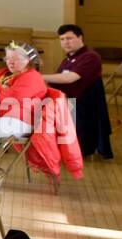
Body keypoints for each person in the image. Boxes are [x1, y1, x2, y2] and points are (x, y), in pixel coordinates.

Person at [42, 23, 112, 159]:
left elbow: (70, 78)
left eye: (69, 38)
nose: (65, 42)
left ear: (80, 38)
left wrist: (40, 77)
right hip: (66, 101)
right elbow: (57, 80)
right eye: (62, 39)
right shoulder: (68, 59)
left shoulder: (91, 57)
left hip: (80, 105)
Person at [0, 42, 47, 160]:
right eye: (8, 58)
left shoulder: (32, 77)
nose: (10, 62)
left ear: (28, 60)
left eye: (16, 59)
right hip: (0, 115)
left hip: (23, 120)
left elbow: (11, 99)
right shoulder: (4, 73)